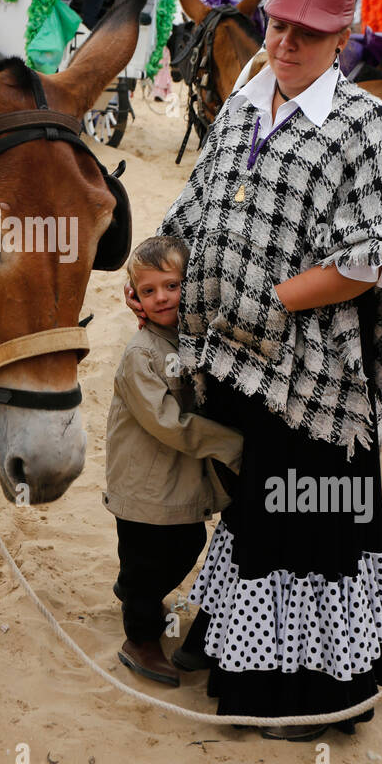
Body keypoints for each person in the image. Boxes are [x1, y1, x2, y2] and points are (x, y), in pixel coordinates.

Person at [132, 0, 382, 739]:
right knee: (256, 510)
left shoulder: (364, 124)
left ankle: (303, 695)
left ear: (341, 37)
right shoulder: (242, 109)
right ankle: (229, 640)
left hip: (315, 371)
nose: (287, 42)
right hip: (233, 354)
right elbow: (194, 205)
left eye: (308, 32)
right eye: (278, 25)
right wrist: (151, 268)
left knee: (304, 515)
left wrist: (279, 297)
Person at [106, 236, 243, 686]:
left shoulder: (187, 341)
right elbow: (168, 421)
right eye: (149, 291)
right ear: (135, 297)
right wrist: (229, 443)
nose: (161, 297)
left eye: (171, 286)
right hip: (144, 487)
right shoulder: (141, 354)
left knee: (185, 545)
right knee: (146, 561)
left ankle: (133, 591)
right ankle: (140, 638)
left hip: (178, 483)